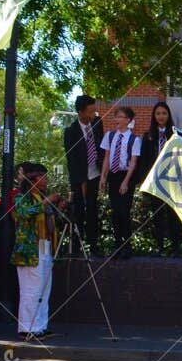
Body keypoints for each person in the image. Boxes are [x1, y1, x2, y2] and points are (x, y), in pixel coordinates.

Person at [12, 163, 60, 339]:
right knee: (30, 290)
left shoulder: (42, 197)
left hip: (45, 246)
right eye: (43, 177)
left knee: (44, 289)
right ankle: (27, 329)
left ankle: (40, 326)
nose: (46, 180)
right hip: (29, 250)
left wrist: (58, 207)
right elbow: (24, 213)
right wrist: (46, 202)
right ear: (33, 180)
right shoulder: (20, 198)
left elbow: (53, 222)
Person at [136, 101, 182, 256]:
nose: (161, 116)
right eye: (158, 113)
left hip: (172, 181)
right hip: (155, 182)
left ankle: (175, 247)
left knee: (173, 215)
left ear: (168, 115)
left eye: (164, 113)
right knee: (157, 215)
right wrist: (143, 180)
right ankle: (159, 246)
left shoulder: (175, 135)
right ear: (154, 116)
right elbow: (143, 161)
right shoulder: (148, 136)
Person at [61, 94, 104, 256]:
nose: (94, 114)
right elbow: (71, 160)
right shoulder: (70, 132)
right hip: (79, 178)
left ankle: (94, 246)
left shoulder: (98, 123)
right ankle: (77, 248)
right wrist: (81, 180)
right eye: (90, 111)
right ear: (81, 112)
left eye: (95, 110)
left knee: (93, 210)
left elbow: (101, 148)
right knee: (78, 212)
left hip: (95, 174)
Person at [100, 106, 140, 258]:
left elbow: (134, 162)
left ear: (128, 120)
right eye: (116, 116)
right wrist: (103, 177)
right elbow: (106, 158)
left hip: (126, 175)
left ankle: (127, 245)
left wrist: (126, 181)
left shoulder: (134, 139)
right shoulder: (110, 136)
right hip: (113, 176)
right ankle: (117, 245)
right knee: (116, 212)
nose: (117, 119)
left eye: (120, 117)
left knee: (124, 211)